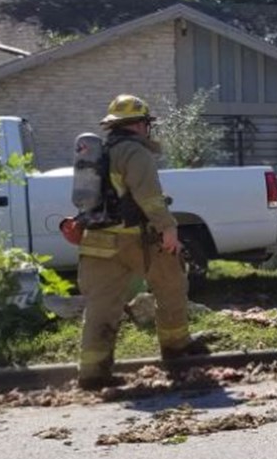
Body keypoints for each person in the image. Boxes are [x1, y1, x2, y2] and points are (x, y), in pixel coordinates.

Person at [76, 94, 209, 390]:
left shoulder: (100, 154)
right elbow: (148, 196)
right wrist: (169, 229)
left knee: (101, 305)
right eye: (146, 123)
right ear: (138, 125)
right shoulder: (135, 153)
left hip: (97, 240)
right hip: (136, 239)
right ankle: (176, 349)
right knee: (171, 283)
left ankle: (92, 372)